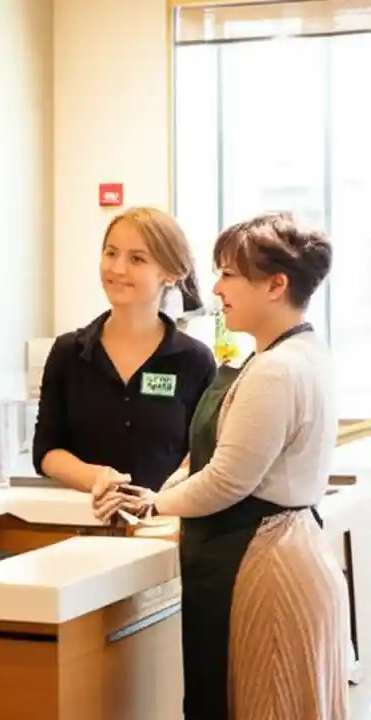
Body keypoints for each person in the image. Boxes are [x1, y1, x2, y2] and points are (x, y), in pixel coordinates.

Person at [96, 212, 348, 719]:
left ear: (277, 284)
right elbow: (211, 459)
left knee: (265, 699)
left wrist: (153, 503)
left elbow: (227, 480)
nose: (215, 287)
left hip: (266, 560)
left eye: (230, 274)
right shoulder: (294, 352)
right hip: (288, 547)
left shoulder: (277, 369)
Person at [32, 207, 216, 500]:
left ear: (170, 273)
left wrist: (160, 500)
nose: (117, 269)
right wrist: (99, 478)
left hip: (164, 527)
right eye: (111, 253)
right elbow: (46, 451)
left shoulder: (195, 360)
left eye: (137, 259)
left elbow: (205, 452)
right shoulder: (69, 353)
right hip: (82, 523)